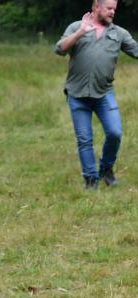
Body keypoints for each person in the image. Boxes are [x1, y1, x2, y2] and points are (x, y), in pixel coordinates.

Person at [55, 0, 138, 189]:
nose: (112, 12)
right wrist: (80, 33)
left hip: (104, 94)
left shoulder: (119, 33)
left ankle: (106, 169)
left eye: (114, 9)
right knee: (85, 140)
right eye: (109, 8)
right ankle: (91, 180)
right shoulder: (77, 27)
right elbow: (59, 49)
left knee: (115, 133)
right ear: (96, 7)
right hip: (78, 95)